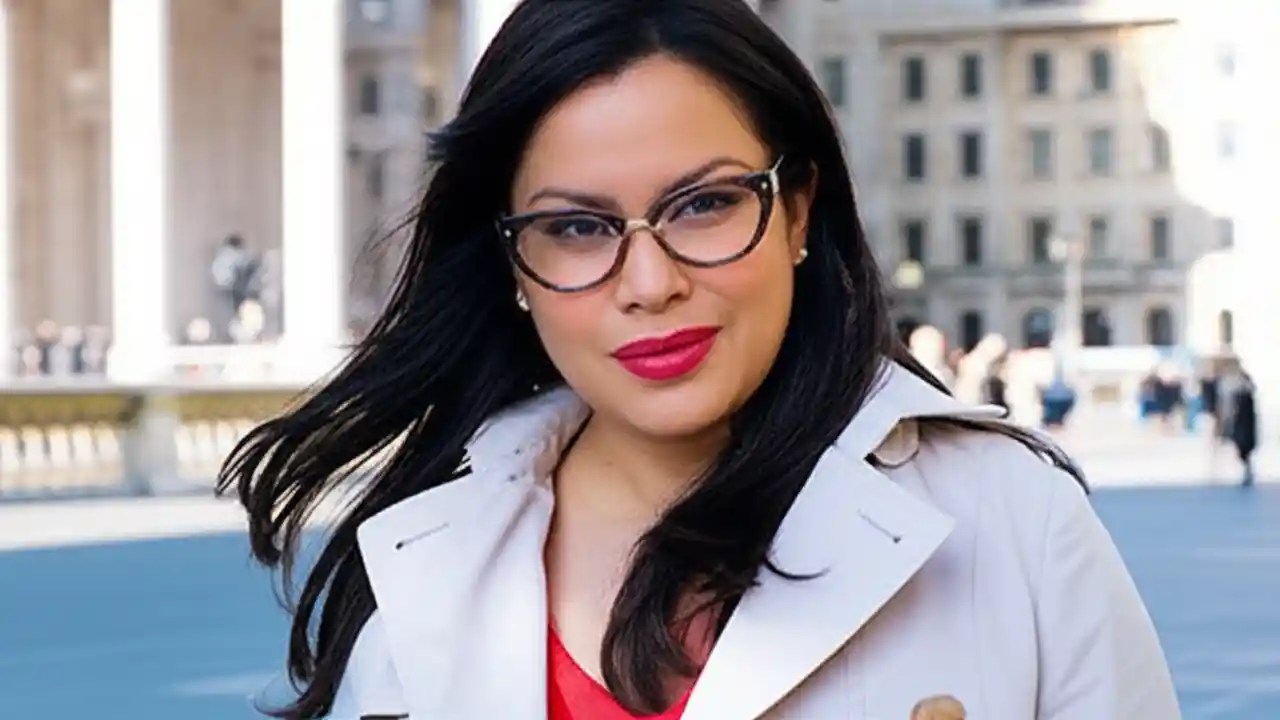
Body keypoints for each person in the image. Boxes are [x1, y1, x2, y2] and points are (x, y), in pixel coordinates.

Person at [219, 2, 1178, 719]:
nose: (650, 281)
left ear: (798, 211)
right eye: (579, 226)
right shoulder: (423, 558)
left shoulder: (1012, 520)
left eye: (705, 206)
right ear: (514, 261)